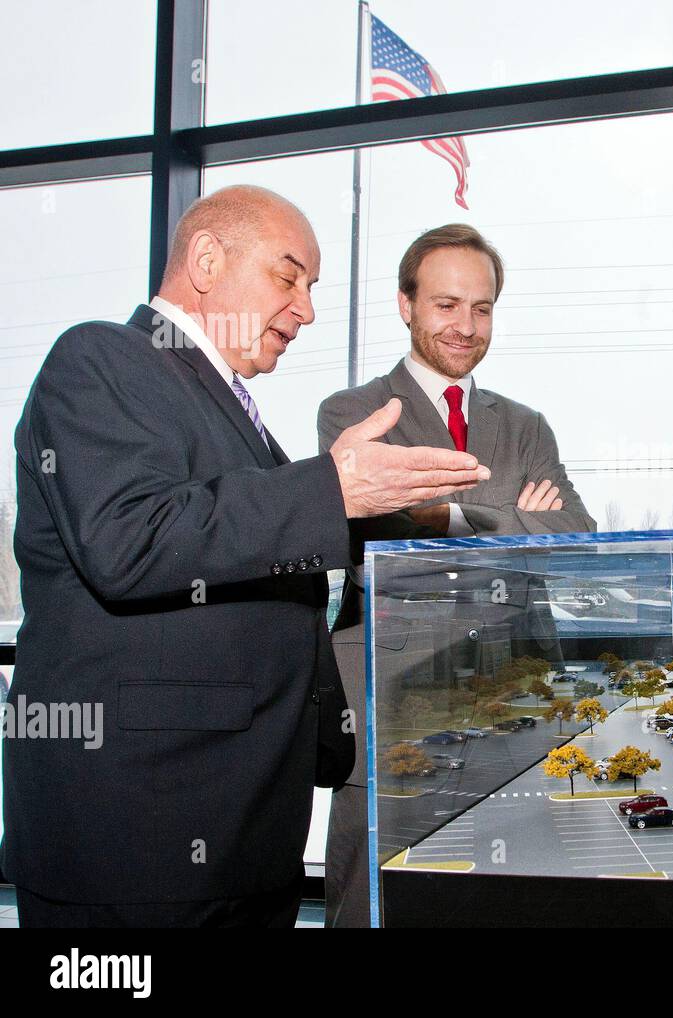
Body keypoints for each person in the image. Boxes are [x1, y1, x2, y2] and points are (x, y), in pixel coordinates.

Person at [3, 186, 490, 927]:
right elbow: (128, 539)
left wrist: (406, 519)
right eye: (287, 276)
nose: (306, 308)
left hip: (247, 836)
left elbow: (248, 542)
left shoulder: (234, 411)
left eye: (313, 287)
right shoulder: (100, 357)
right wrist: (335, 487)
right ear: (205, 259)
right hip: (141, 847)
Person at [317, 223, 596, 927]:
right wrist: (508, 514)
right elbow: (377, 535)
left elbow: (577, 534)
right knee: (371, 904)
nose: (466, 326)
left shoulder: (527, 424)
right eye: (446, 304)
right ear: (405, 305)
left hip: (515, 693)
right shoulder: (354, 413)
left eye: (482, 308)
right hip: (390, 699)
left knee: (508, 897)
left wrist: (452, 514)